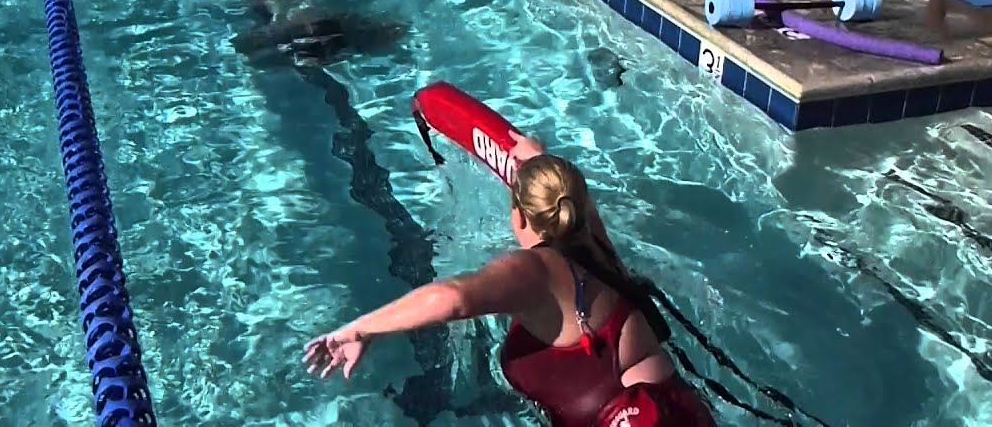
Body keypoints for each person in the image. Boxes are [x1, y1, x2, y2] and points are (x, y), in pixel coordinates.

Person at [304, 133, 713, 426]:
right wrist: (539, 161)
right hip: (680, 411)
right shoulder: (595, 247)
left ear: (517, 216)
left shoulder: (534, 271)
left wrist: (359, 330)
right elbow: (574, 200)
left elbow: (451, 298)